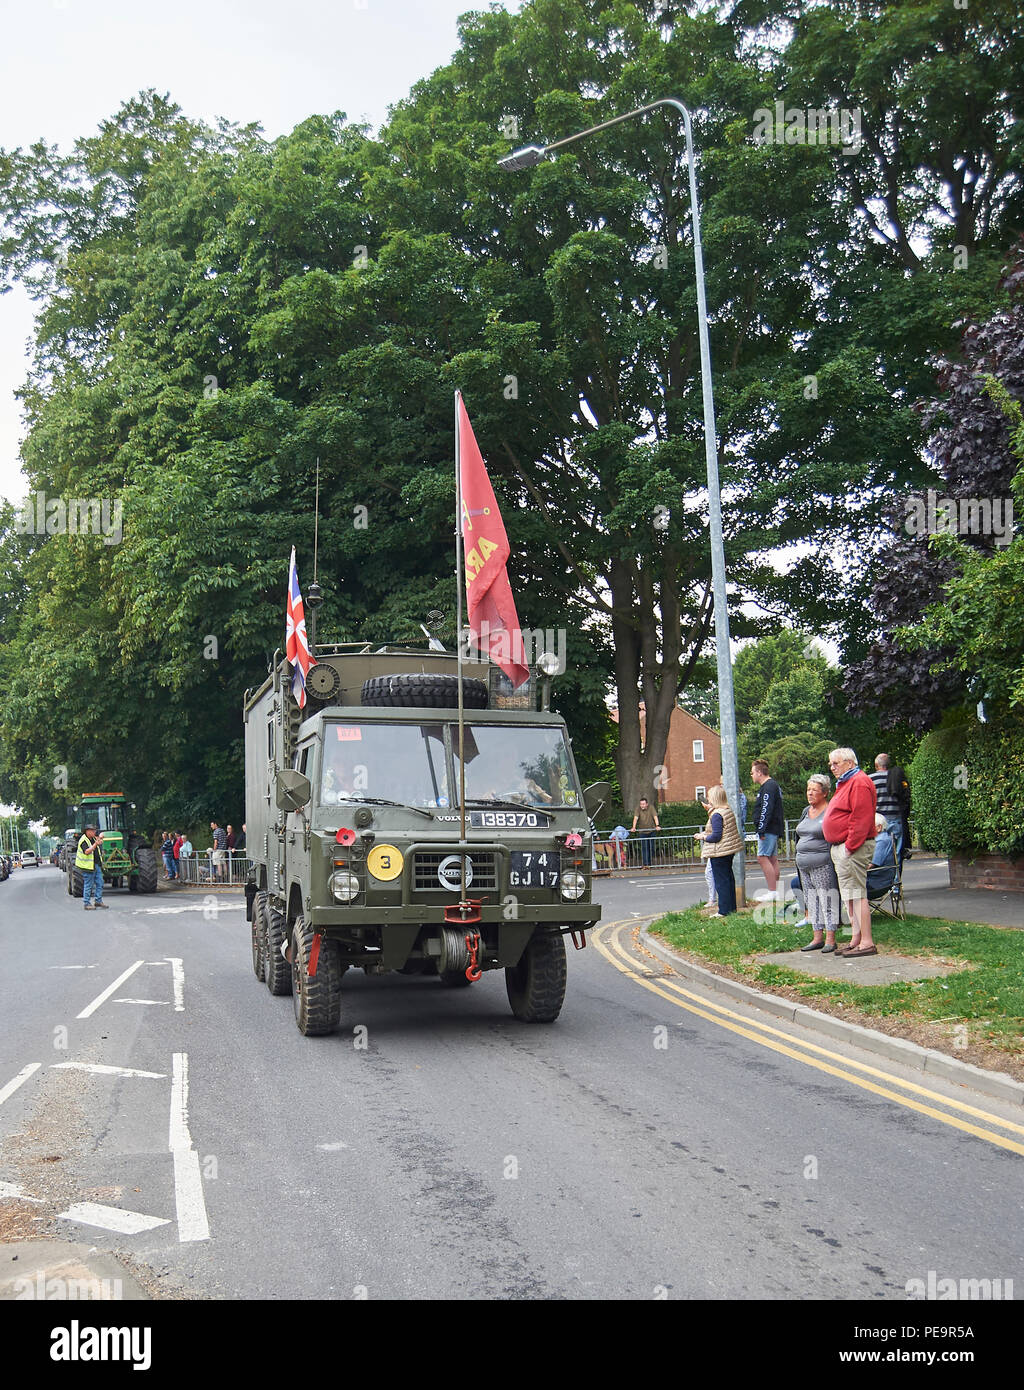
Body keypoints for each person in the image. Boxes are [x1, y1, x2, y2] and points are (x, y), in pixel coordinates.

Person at [823, 748, 878, 957]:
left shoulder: (859, 782)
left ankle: (867, 941)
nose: (832, 767)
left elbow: (861, 818)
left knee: (857, 894)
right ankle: (857, 938)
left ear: (849, 763)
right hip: (843, 846)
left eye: (836, 763)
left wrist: (849, 847)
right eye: (831, 763)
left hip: (852, 847)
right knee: (849, 895)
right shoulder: (847, 782)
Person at [795, 774, 842, 953]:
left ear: (825, 793)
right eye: (808, 790)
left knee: (827, 899)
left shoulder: (830, 810)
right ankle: (817, 937)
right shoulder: (806, 811)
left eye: (814, 790)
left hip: (822, 862)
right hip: (803, 864)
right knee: (811, 900)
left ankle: (831, 938)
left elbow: (834, 834)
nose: (810, 793)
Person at [695, 785, 742, 916]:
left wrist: (702, 836)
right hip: (728, 850)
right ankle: (731, 908)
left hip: (719, 851)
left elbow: (716, 836)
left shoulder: (716, 815)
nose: (708, 799)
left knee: (721, 882)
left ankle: (723, 911)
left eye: (709, 797)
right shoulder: (726, 810)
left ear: (714, 799)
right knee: (728, 879)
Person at [751, 760, 784, 898]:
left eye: (752, 773)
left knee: (762, 857)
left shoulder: (768, 786)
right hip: (772, 827)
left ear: (759, 772)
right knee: (771, 858)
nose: (751, 775)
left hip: (769, 828)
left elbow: (766, 808)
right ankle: (775, 890)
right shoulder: (771, 786)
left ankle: (772, 891)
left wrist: (761, 828)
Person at [76, 824, 108, 911]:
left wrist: (100, 838)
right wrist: (96, 844)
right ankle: (86, 903)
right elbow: (87, 851)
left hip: (96, 865)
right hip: (88, 866)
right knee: (88, 885)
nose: (95, 832)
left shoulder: (92, 838)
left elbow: (99, 841)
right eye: (93, 830)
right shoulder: (83, 840)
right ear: (87, 831)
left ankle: (98, 900)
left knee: (100, 882)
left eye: (95, 830)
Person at [631, 796, 660, 868]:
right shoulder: (638, 809)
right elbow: (635, 818)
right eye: (641, 804)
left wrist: (657, 825)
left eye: (643, 804)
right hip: (642, 832)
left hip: (651, 831)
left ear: (647, 804)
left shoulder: (651, 808)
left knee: (651, 847)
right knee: (644, 848)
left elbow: (655, 817)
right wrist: (634, 827)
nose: (642, 806)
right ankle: (646, 864)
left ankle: (649, 863)